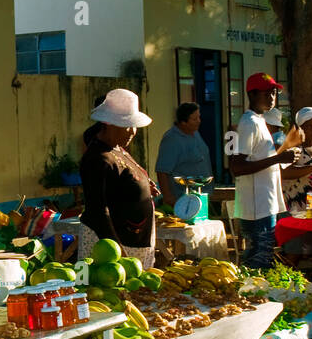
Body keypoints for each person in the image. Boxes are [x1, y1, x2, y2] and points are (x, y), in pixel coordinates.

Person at [79, 89, 158, 265]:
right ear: (108, 124)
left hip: (134, 242)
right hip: (113, 250)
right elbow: (96, 210)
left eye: (134, 125)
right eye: (126, 125)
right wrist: (118, 251)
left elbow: (123, 179)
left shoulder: (117, 149)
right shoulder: (97, 158)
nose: (132, 131)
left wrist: (143, 185)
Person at [229, 73, 297, 268]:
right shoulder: (249, 123)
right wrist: (278, 158)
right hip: (256, 208)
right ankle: (251, 296)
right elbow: (237, 167)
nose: (272, 97)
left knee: (264, 257)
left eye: (274, 93)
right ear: (252, 95)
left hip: (265, 203)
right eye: (267, 93)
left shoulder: (259, 120)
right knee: (258, 260)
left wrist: (281, 155)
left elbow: (259, 157)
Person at [154, 102, 213, 207]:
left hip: (202, 197)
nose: (199, 121)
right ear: (183, 122)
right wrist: (168, 198)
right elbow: (162, 171)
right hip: (183, 201)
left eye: (199, 117)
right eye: (194, 119)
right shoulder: (171, 139)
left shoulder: (195, 133)